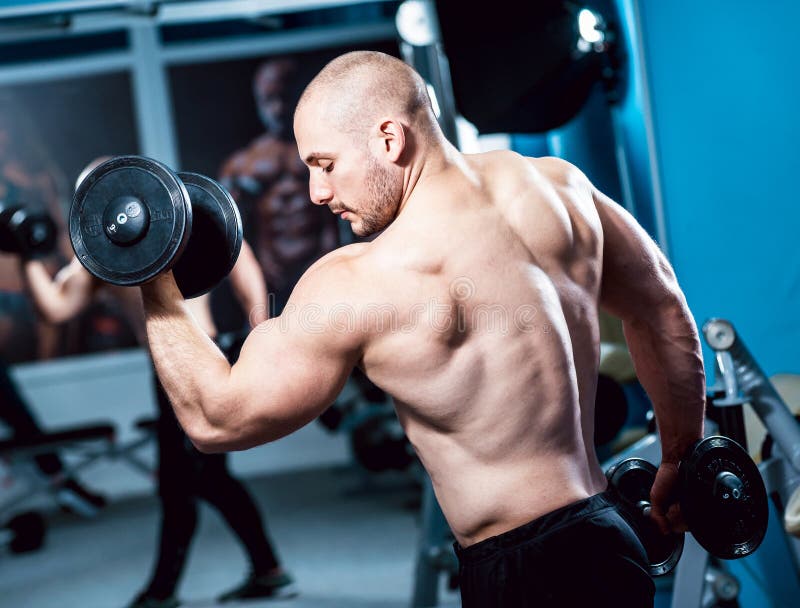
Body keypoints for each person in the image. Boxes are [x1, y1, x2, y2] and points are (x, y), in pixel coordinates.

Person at [138, 52, 706, 608]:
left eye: (326, 164)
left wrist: (151, 270)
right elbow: (662, 311)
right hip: (609, 535)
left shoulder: (360, 281)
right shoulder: (561, 189)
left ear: (389, 139)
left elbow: (216, 420)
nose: (316, 192)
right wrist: (681, 456)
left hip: (522, 572)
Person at [22, 159, 293, 608]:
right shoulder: (100, 253)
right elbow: (55, 309)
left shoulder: (186, 217)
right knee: (203, 478)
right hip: (165, 374)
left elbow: (243, 267)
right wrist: (27, 254)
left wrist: (263, 337)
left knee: (181, 481)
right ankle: (267, 570)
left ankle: (162, 592)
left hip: (207, 357)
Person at [219, 58, 338, 315]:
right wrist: (254, 283)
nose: (277, 108)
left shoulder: (329, 148)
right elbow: (222, 235)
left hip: (325, 268)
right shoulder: (243, 164)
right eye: (268, 100)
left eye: (284, 96)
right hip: (270, 278)